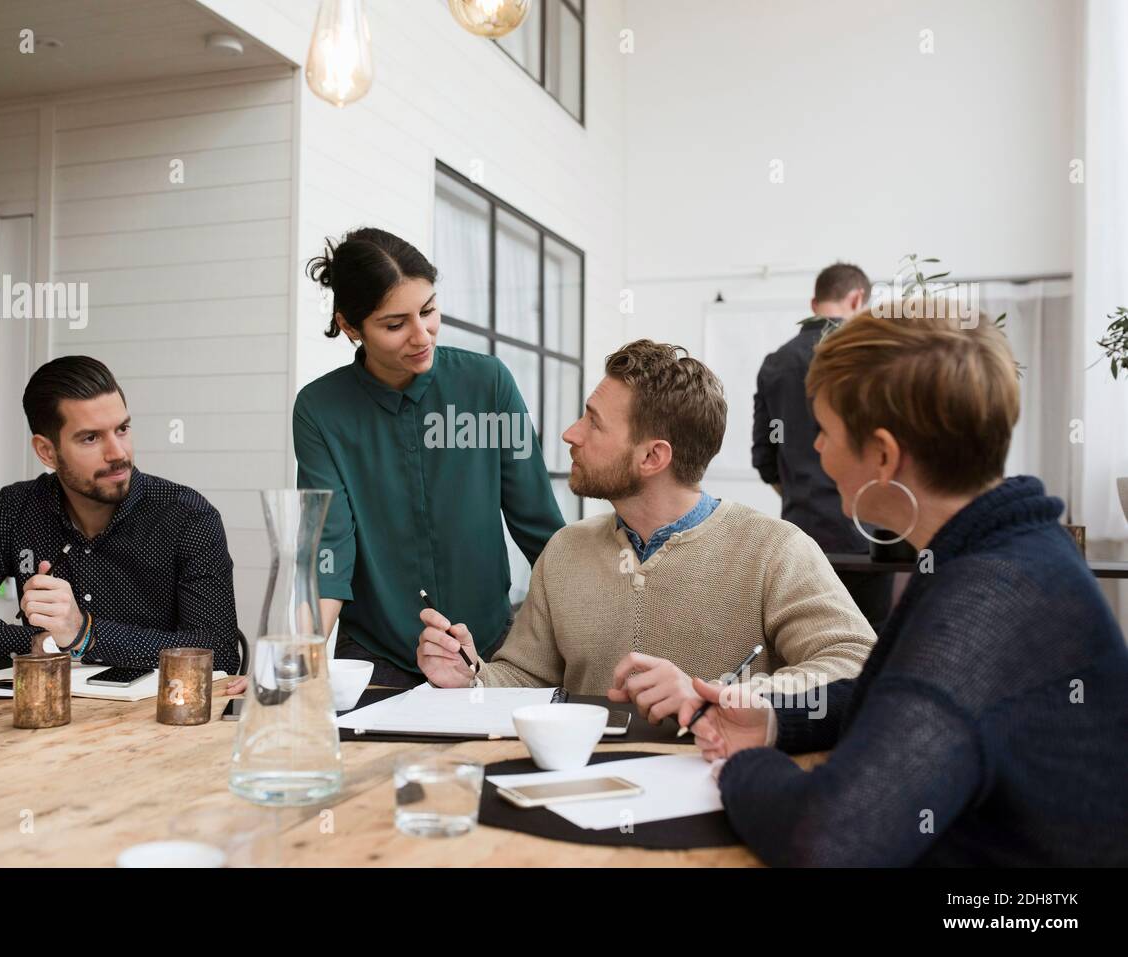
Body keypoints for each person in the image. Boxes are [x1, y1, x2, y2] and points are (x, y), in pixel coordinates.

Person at [687, 309, 1128, 866]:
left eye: (824, 429)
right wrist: (775, 721)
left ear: (883, 455)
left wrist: (740, 768)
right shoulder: (1005, 546)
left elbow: (830, 841)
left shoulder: (991, 594)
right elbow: (912, 694)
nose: (817, 448)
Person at [417, 339, 876, 715]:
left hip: (711, 794)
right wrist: (472, 675)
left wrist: (713, 695)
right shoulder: (564, 550)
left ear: (653, 457)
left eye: (594, 423)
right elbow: (526, 678)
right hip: (577, 792)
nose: (570, 434)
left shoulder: (775, 550)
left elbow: (854, 662)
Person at [227, 227, 563, 693]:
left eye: (428, 311)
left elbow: (539, 524)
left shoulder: (488, 385)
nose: (421, 335)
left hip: (487, 649)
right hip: (375, 656)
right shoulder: (321, 410)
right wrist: (287, 665)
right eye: (394, 324)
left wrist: (593, 644)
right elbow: (329, 550)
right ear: (350, 326)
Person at [0, 356, 241, 672]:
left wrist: (82, 633)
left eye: (122, 429)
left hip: (156, 723)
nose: (117, 453)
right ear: (47, 451)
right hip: (40, 717)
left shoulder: (187, 516)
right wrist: (35, 642)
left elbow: (217, 653)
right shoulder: (17, 509)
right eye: (91, 438)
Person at [753, 263, 894, 631]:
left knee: (808, 648)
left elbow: (764, 457)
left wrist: (802, 492)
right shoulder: (871, 358)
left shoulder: (775, 363)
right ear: (857, 298)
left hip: (801, 536)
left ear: (813, 302)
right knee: (868, 645)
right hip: (866, 537)